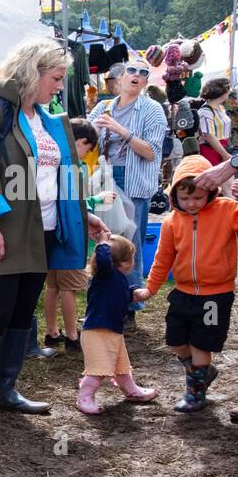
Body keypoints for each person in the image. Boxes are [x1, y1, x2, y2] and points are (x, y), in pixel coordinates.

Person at [0, 37, 106, 432]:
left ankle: (5, 392)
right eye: (55, 78)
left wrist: (81, 213)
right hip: (1, 232)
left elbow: (59, 175)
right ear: (31, 71)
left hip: (43, 231)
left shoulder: (47, 119)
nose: (60, 86)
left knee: (22, 314)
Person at [135, 156, 238, 413]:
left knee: (202, 344)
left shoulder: (227, 210)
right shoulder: (171, 221)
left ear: (211, 191)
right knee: (175, 341)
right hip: (183, 293)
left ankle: (195, 393)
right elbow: (162, 259)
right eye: (185, 198)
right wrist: (151, 288)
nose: (191, 203)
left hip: (216, 295)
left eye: (198, 197)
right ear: (174, 196)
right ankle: (203, 373)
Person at [87, 58, 168, 328]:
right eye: (131, 71)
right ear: (119, 79)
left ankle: (128, 305)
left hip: (134, 182)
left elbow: (152, 152)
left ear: (146, 82)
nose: (136, 75)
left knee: (128, 244)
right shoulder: (103, 106)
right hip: (104, 180)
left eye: (143, 73)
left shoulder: (153, 109)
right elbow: (83, 140)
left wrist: (122, 131)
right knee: (102, 239)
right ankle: (102, 300)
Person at [43, 119, 117, 351]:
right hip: (70, 235)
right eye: (88, 149)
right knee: (69, 288)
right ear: (81, 142)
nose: (86, 155)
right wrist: (93, 208)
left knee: (52, 286)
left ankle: (52, 332)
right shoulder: (74, 167)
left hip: (51, 232)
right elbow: (76, 202)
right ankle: (73, 336)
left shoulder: (51, 164)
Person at [76, 235, 157, 414]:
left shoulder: (117, 278)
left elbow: (118, 294)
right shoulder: (107, 274)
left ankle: (131, 390)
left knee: (121, 366)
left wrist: (133, 293)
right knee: (98, 370)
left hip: (113, 331)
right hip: (97, 331)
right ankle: (85, 396)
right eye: (132, 258)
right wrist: (103, 243)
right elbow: (105, 260)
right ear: (124, 262)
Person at [197, 77, 232, 166]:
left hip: (223, 148)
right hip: (211, 151)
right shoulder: (206, 111)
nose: (229, 91)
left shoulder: (221, 108)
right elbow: (209, 136)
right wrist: (225, 154)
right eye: (227, 89)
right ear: (221, 92)